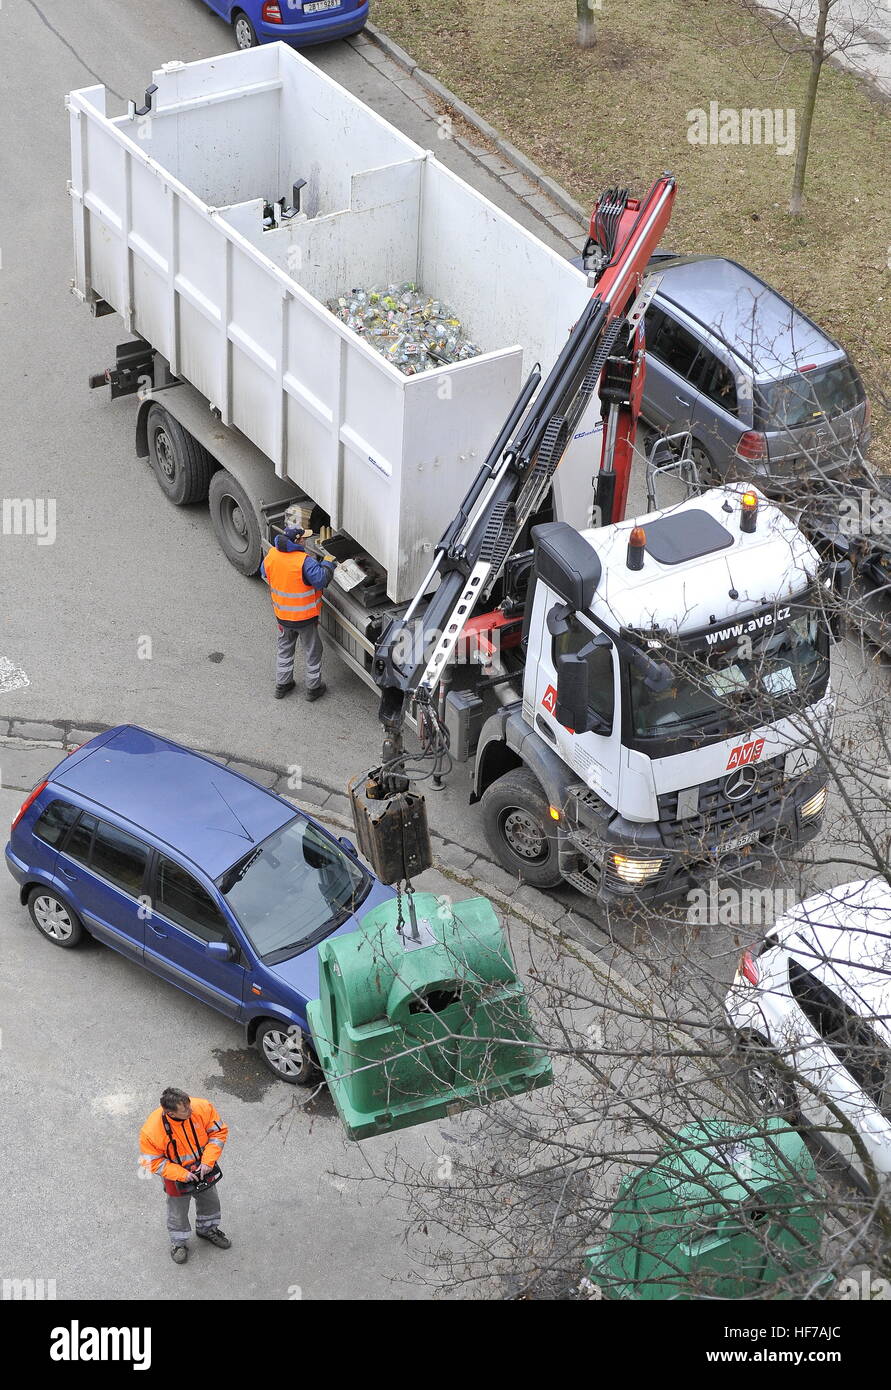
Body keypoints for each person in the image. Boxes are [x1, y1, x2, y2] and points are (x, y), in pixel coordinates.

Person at [139, 1088, 231, 1265]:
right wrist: (182, 1174)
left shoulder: (201, 1107)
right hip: (177, 1177)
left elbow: (218, 1133)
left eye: (189, 1106)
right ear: (169, 1112)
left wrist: (207, 1162)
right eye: (185, 1110)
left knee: (211, 1202)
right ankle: (178, 1243)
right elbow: (152, 1161)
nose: (190, 1111)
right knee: (177, 1212)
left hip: (204, 1168)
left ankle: (208, 1229)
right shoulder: (152, 1131)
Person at [262, 525, 337, 701]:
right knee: (313, 651)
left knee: (284, 649)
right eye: (304, 538)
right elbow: (320, 580)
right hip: (304, 619)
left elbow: (264, 572)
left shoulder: (272, 554)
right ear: (297, 540)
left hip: (283, 617)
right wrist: (327, 562)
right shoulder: (304, 561)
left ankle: (282, 685)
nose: (305, 540)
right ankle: (313, 689)